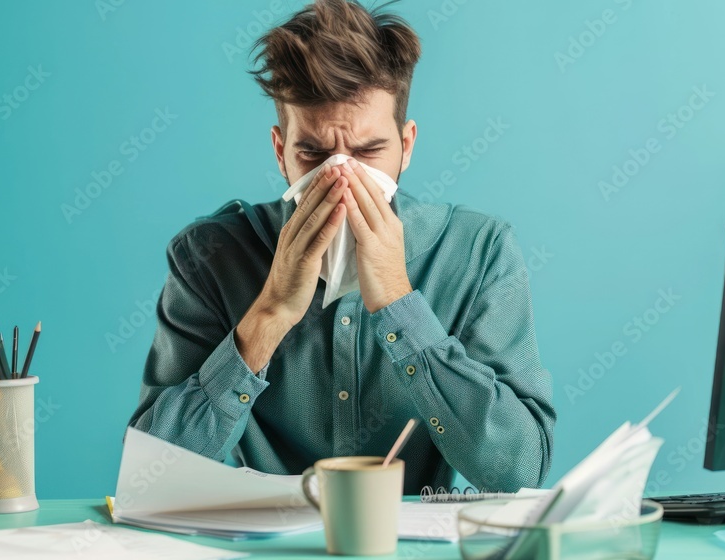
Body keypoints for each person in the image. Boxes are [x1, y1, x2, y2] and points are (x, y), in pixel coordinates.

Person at [127, 0, 555, 494]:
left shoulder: (479, 252)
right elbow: (149, 481)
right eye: (312, 153)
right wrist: (267, 315)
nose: (341, 176)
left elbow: (519, 472)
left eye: (369, 151)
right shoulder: (208, 256)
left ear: (406, 145)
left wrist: (401, 306)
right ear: (280, 151)